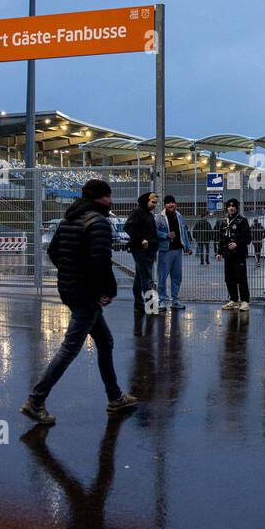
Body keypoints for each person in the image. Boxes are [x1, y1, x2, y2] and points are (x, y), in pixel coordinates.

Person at [22, 179, 138, 424]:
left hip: (71, 289)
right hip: (87, 294)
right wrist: (108, 290)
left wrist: (71, 272)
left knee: (105, 342)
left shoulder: (68, 220)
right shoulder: (99, 223)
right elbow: (101, 261)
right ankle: (36, 400)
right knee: (69, 348)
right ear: (100, 198)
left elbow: (54, 252)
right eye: (108, 196)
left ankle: (115, 396)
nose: (111, 200)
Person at [155, 194, 193, 310]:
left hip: (178, 251)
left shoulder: (179, 216)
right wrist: (165, 235)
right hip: (165, 251)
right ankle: (161, 301)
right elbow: (153, 231)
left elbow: (184, 232)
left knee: (177, 277)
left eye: (173, 202)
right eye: (168, 203)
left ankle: (175, 301)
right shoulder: (159, 217)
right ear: (165, 205)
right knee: (162, 277)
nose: (171, 204)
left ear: (175, 204)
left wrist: (187, 246)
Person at [124, 191, 159, 312]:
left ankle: (139, 305)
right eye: (153, 202)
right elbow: (128, 227)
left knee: (140, 278)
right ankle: (151, 307)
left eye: (155, 203)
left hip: (147, 250)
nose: (154, 204)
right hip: (141, 250)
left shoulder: (147, 214)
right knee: (146, 278)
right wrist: (141, 239)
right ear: (146, 201)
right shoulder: (138, 212)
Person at [216, 197, 252, 311]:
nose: (231, 208)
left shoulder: (242, 221)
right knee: (229, 278)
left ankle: (245, 301)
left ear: (237, 208)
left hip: (239, 255)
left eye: (233, 206)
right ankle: (233, 300)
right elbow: (222, 239)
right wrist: (219, 252)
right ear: (227, 208)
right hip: (228, 255)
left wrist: (237, 243)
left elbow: (248, 238)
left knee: (241, 278)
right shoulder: (224, 222)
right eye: (229, 206)